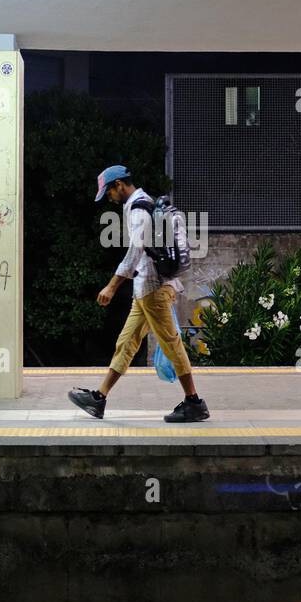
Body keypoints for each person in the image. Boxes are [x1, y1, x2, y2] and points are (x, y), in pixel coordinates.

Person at [68, 165, 209, 423]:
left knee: (171, 343)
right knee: (127, 341)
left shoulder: (137, 208)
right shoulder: (145, 203)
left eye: (109, 192)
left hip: (153, 290)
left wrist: (112, 285)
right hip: (145, 290)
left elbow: (136, 250)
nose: (109, 198)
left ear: (119, 185)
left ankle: (194, 402)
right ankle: (99, 398)